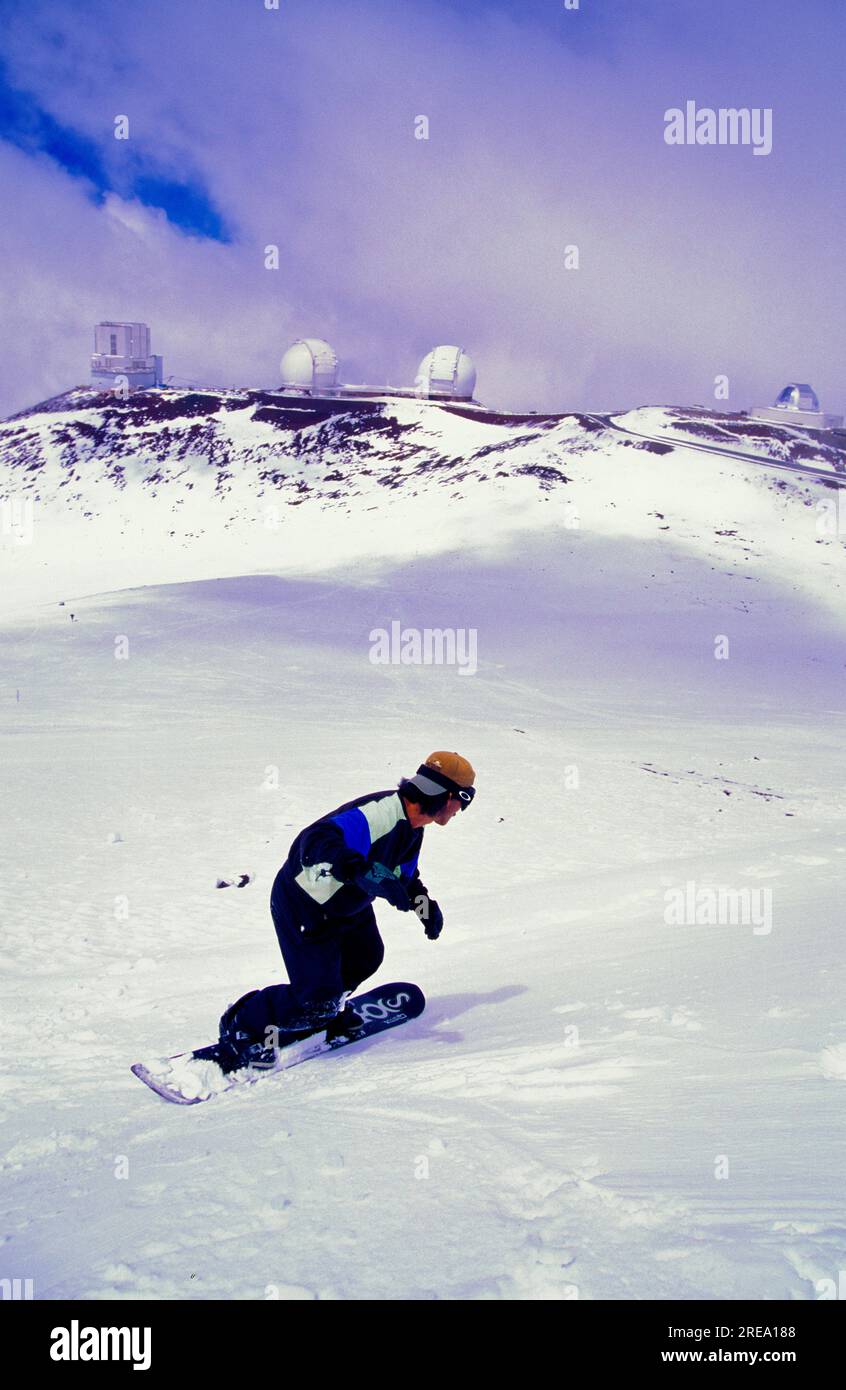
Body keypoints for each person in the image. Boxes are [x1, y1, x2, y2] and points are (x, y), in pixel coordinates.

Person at [215, 751, 476, 1072]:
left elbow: (404, 877)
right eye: (466, 800)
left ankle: (330, 1010)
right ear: (448, 796)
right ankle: (244, 1022)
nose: (462, 810)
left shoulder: (413, 827)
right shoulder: (381, 813)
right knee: (314, 1000)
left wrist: (424, 906)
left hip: (347, 906)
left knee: (367, 956)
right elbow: (314, 840)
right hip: (305, 905)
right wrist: (360, 869)